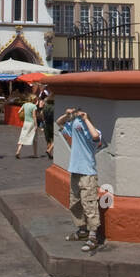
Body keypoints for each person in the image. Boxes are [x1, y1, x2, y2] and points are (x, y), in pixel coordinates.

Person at [58, 107, 104, 253]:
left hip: (87, 173)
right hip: (75, 171)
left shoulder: (92, 131)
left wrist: (85, 119)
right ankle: (82, 230)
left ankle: (93, 236)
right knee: (75, 202)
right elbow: (59, 123)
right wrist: (67, 115)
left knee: (89, 203)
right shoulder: (74, 127)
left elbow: (96, 136)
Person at [15, 91, 39, 159]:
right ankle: (35, 154)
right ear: (33, 100)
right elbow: (34, 116)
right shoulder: (34, 106)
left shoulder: (25, 104)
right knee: (35, 138)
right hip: (31, 123)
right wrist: (36, 125)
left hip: (25, 122)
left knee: (23, 136)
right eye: (36, 99)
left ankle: (18, 150)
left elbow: (19, 111)